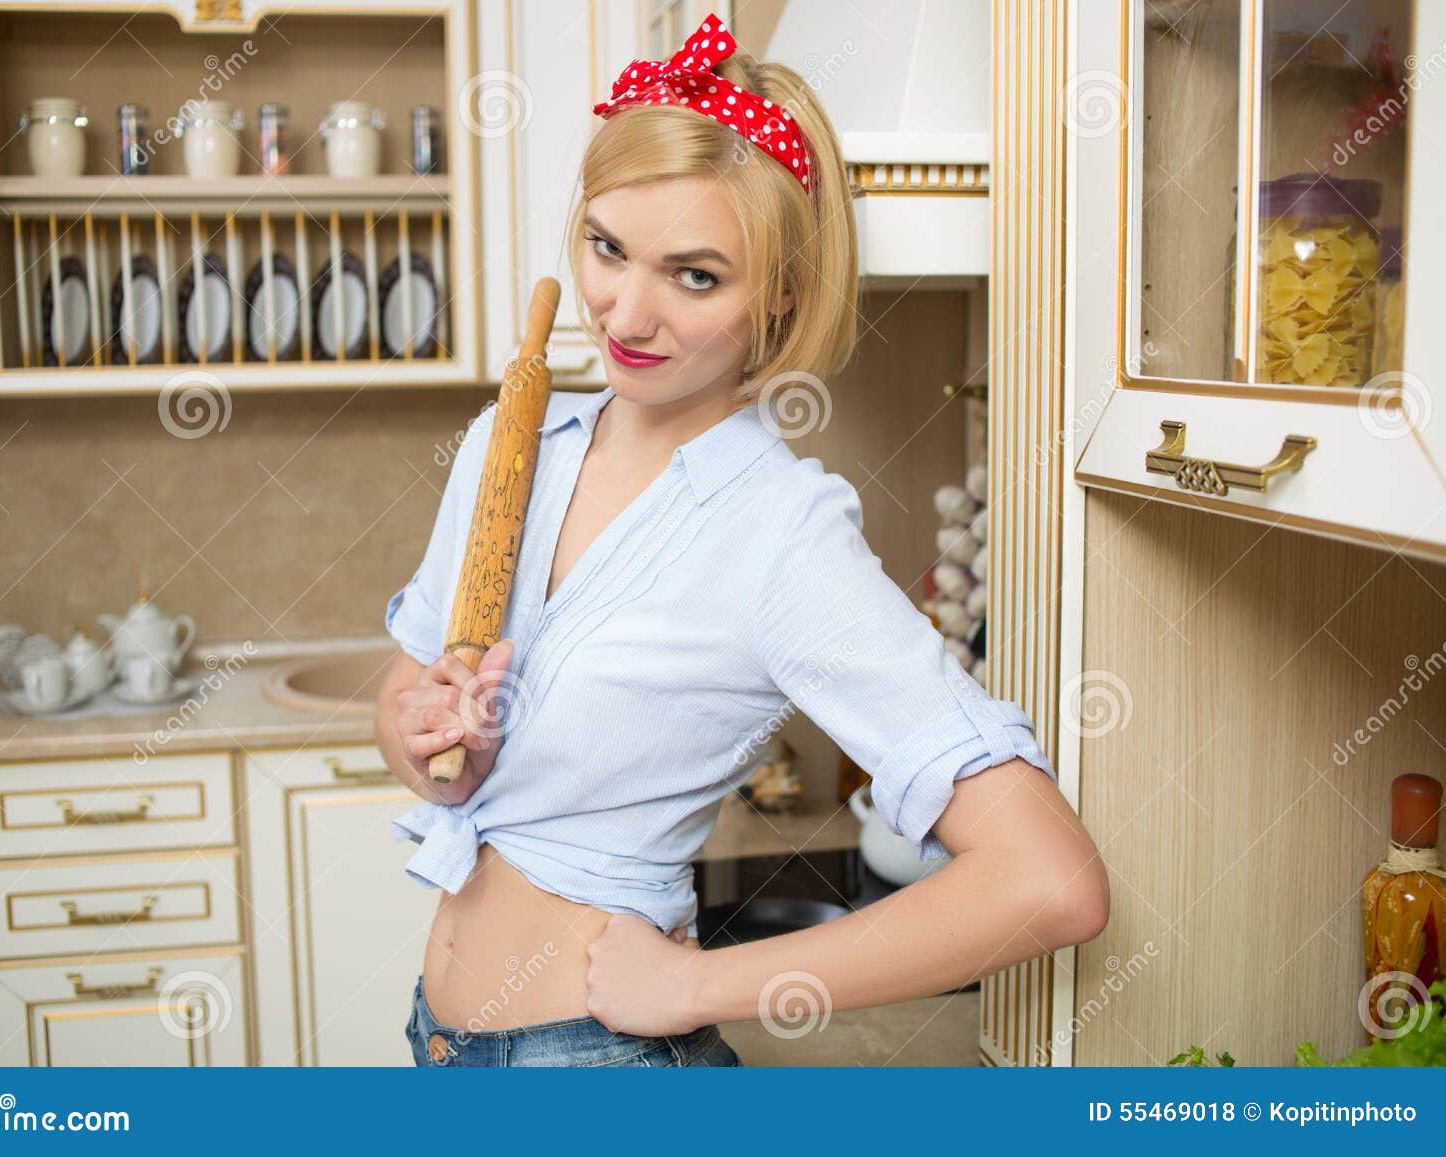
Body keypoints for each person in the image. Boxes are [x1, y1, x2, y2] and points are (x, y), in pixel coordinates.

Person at [376, 12, 1109, 1068]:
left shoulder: (779, 530)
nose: (625, 312)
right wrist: (431, 748)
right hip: (437, 1042)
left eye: (695, 275)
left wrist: (697, 982)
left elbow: (1050, 880)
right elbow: (403, 702)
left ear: (779, 296)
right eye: (607, 247)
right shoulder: (513, 439)